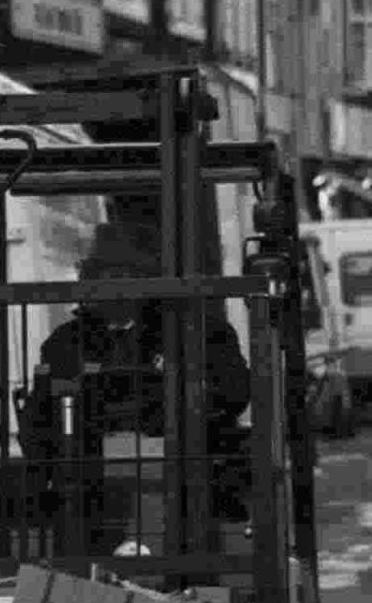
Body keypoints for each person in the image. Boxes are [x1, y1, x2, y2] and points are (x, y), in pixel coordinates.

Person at [17, 221, 252, 540]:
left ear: (145, 279)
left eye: (124, 273)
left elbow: (234, 392)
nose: (114, 283)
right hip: (88, 488)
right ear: (89, 280)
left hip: (187, 477)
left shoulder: (199, 332)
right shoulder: (65, 343)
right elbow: (39, 419)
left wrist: (185, 405)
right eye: (104, 273)